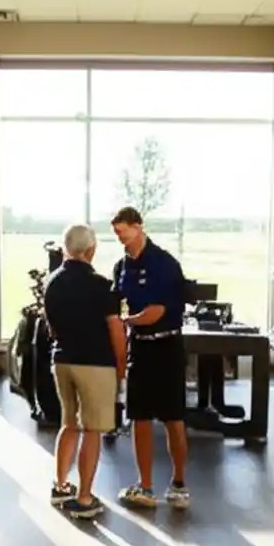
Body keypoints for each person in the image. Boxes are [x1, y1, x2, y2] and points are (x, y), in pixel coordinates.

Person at [42, 223, 126, 519]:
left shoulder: (51, 282)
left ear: (67, 248)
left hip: (62, 360)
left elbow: (51, 326)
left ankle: (60, 485)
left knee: (69, 424)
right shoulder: (103, 286)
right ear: (91, 250)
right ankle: (85, 498)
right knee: (92, 429)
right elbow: (116, 330)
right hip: (95, 364)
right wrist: (121, 367)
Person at [110, 207, 190, 509]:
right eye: (116, 233)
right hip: (139, 349)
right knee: (139, 417)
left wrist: (124, 323)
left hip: (167, 346)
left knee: (173, 418)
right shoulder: (120, 267)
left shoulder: (164, 263)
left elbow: (156, 312)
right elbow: (114, 304)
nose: (119, 238)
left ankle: (179, 484)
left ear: (138, 227)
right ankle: (145, 485)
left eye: (123, 231)